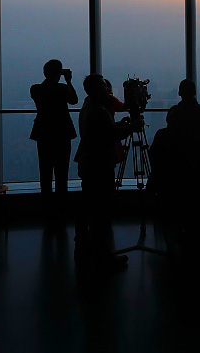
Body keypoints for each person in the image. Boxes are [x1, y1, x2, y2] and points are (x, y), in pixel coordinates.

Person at [74, 74, 131, 272]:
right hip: (100, 164)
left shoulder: (87, 107)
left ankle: (86, 244)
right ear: (98, 89)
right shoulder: (99, 111)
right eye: (103, 88)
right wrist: (131, 127)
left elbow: (105, 131)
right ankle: (104, 256)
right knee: (102, 211)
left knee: (89, 203)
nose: (106, 92)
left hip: (88, 163)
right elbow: (113, 134)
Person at [165, 80, 200, 252]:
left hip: (180, 164)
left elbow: (171, 139)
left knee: (183, 198)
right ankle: (197, 231)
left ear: (180, 93)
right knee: (197, 198)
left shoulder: (175, 114)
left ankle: (185, 230)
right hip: (199, 163)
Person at [30, 60, 78, 205]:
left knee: (45, 172)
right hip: (62, 133)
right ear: (58, 73)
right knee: (62, 172)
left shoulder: (36, 89)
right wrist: (68, 81)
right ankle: (61, 203)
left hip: (43, 133)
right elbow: (74, 100)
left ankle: (46, 204)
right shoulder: (63, 88)